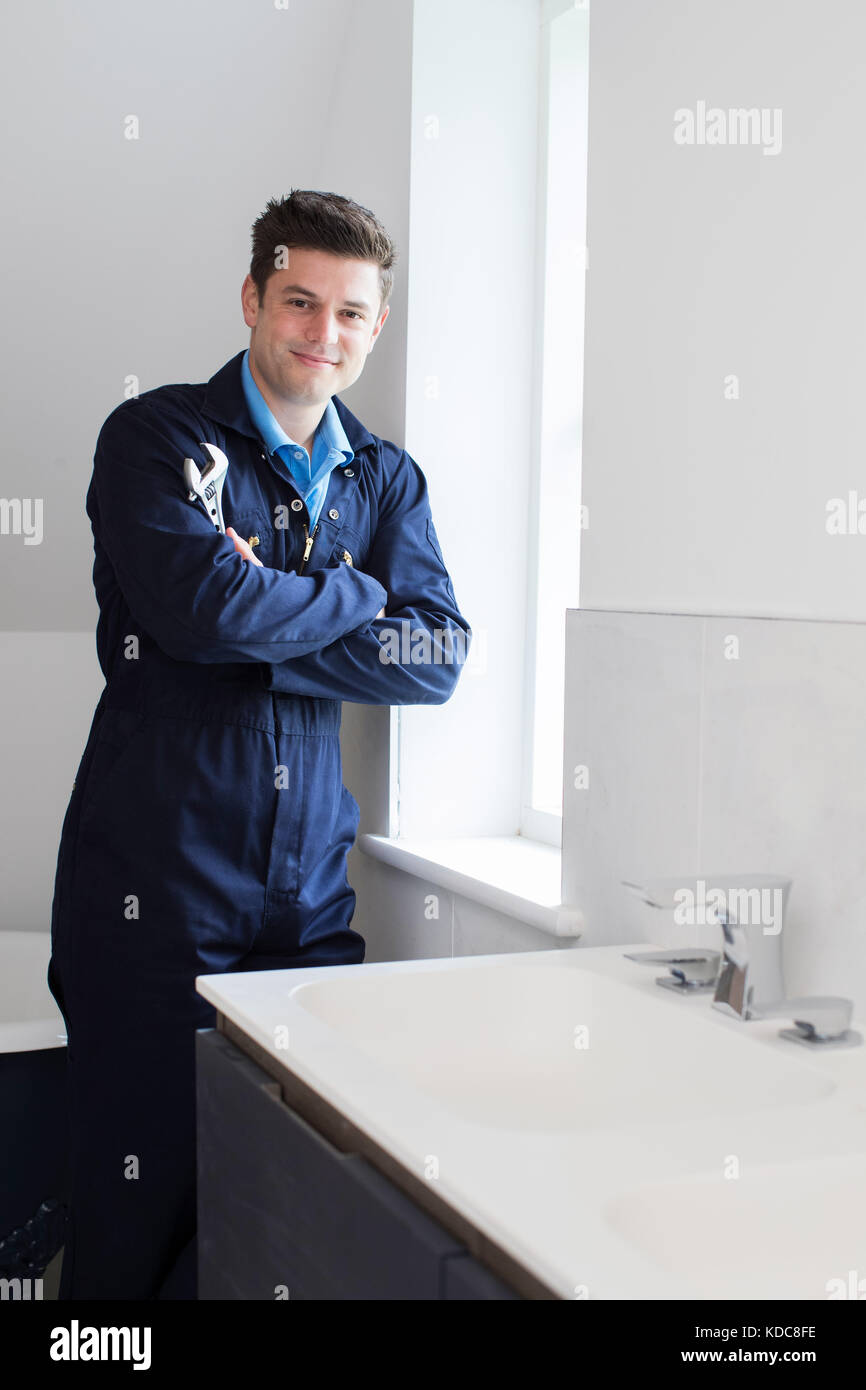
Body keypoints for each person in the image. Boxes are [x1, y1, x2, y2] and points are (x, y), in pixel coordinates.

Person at [47, 189, 471, 1300]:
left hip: (306, 908)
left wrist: (269, 601)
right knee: (135, 1202)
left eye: (349, 313)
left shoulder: (385, 478)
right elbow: (196, 613)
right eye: (297, 301)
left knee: (279, 1202)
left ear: (375, 327)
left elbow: (432, 656)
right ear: (251, 297)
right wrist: (350, 593)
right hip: (153, 892)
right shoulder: (156, 438)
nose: (321, 334)